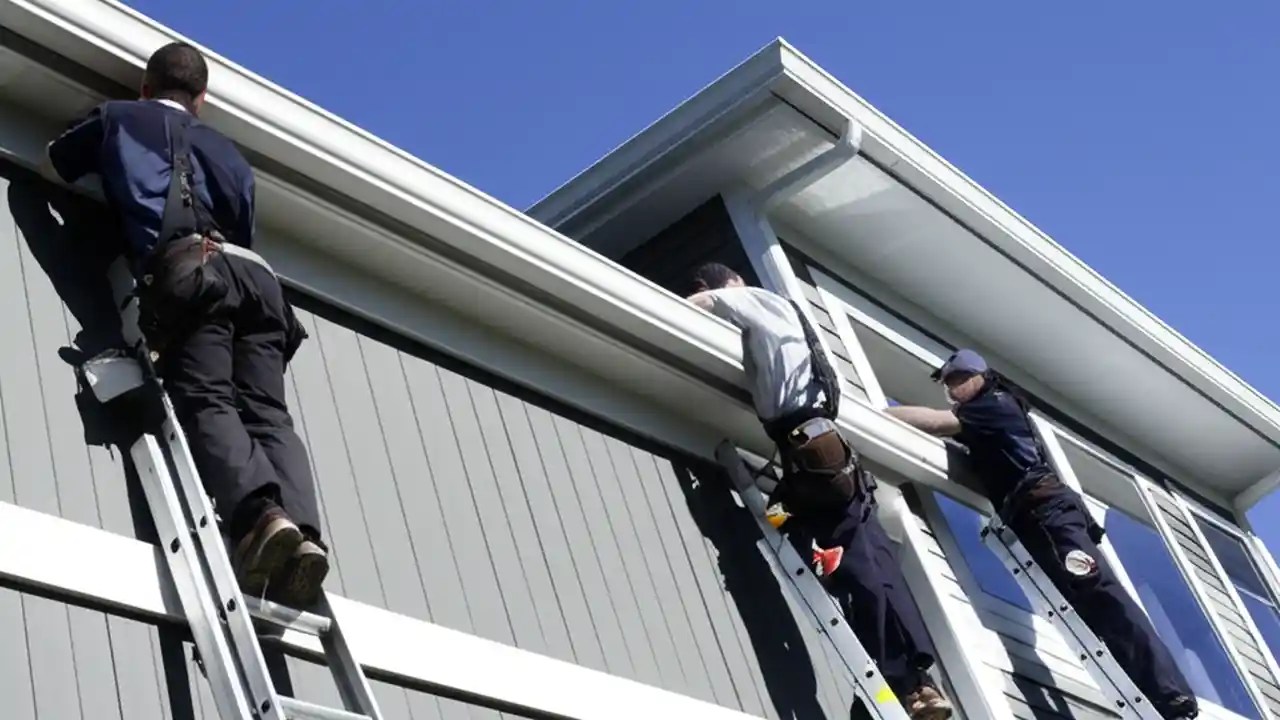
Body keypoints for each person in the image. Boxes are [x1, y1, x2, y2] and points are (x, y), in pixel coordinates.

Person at [42, 42, 329, 609]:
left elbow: (55, 160)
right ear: (201, 100)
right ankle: (306, 536)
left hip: (193, 272)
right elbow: (240, 226)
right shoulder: (230, 155)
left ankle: (261, 517)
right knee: (269, 414)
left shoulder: (120, 117)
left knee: (207, 399)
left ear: (146, 87)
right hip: (260, 283)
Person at [687, 263, 952, 720]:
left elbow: (709, 304)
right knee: (870, 562)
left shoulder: (756, 298)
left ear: (726, 282)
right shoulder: (787, 324)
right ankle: (918, 681)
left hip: (811, 454)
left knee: (850, 567)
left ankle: (899, 682)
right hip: (826, 458)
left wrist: (688, 305)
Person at [885, 349, 1199, 720]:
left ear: (980, 377)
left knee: (1100, 596)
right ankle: (1161, 693)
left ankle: (1170, 696)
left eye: (957, 380)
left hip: (1047, 515)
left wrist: (884, 413)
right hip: (1046, 515)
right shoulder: (990, 420)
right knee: (1094, 604)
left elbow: (939, 424)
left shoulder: (993, 405)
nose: (952, 390)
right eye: (947, 384)